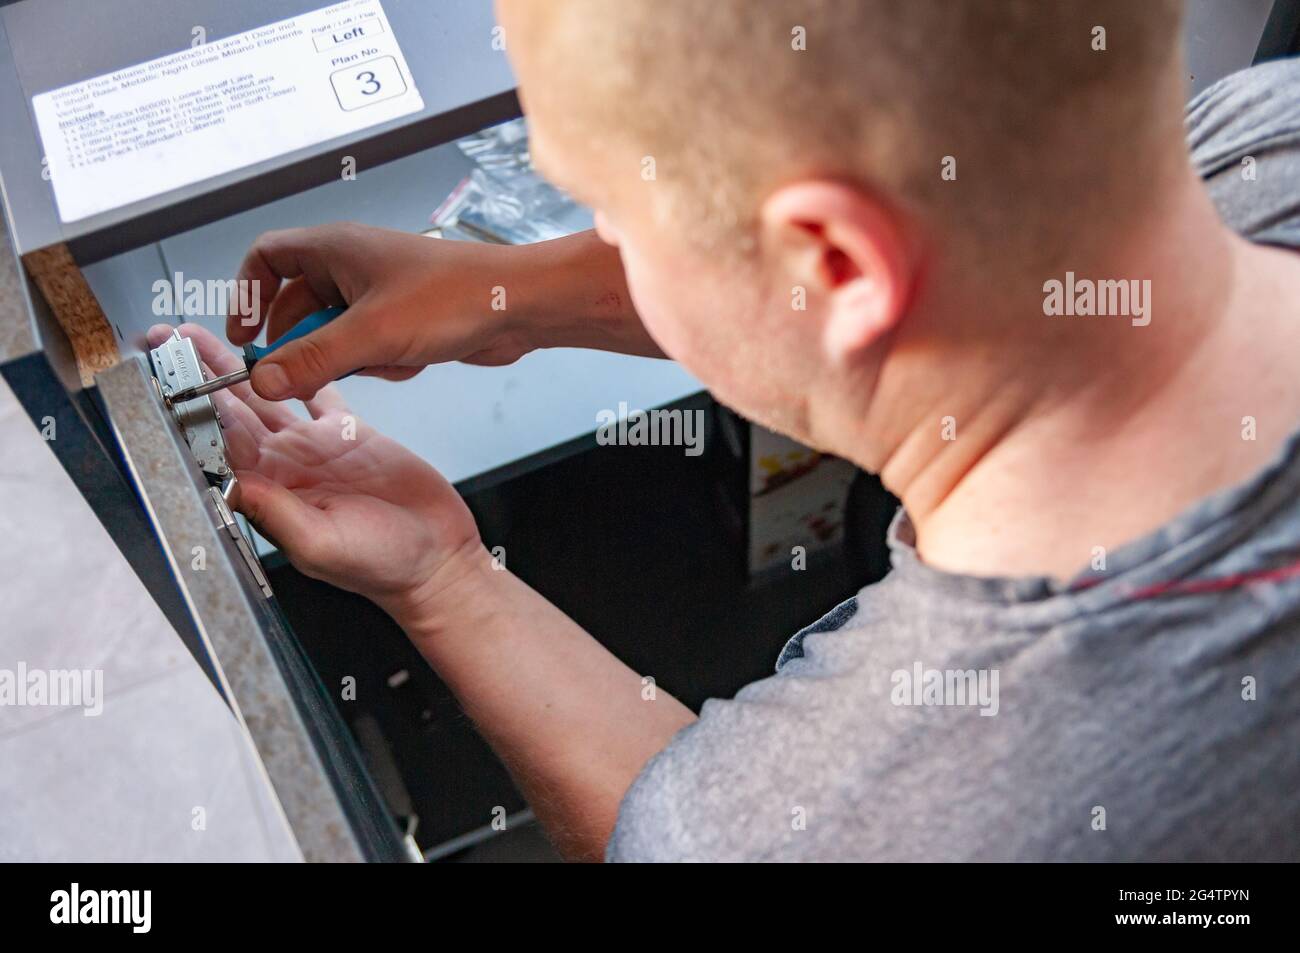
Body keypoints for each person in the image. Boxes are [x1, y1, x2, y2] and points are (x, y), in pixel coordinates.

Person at [149, 1, 1300, 860]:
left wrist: (450, 578)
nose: (600, 236)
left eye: (611, 208)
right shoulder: (1263, 137)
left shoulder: (874, 808)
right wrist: (506, 295)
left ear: (836, 261)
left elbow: (676, 830)